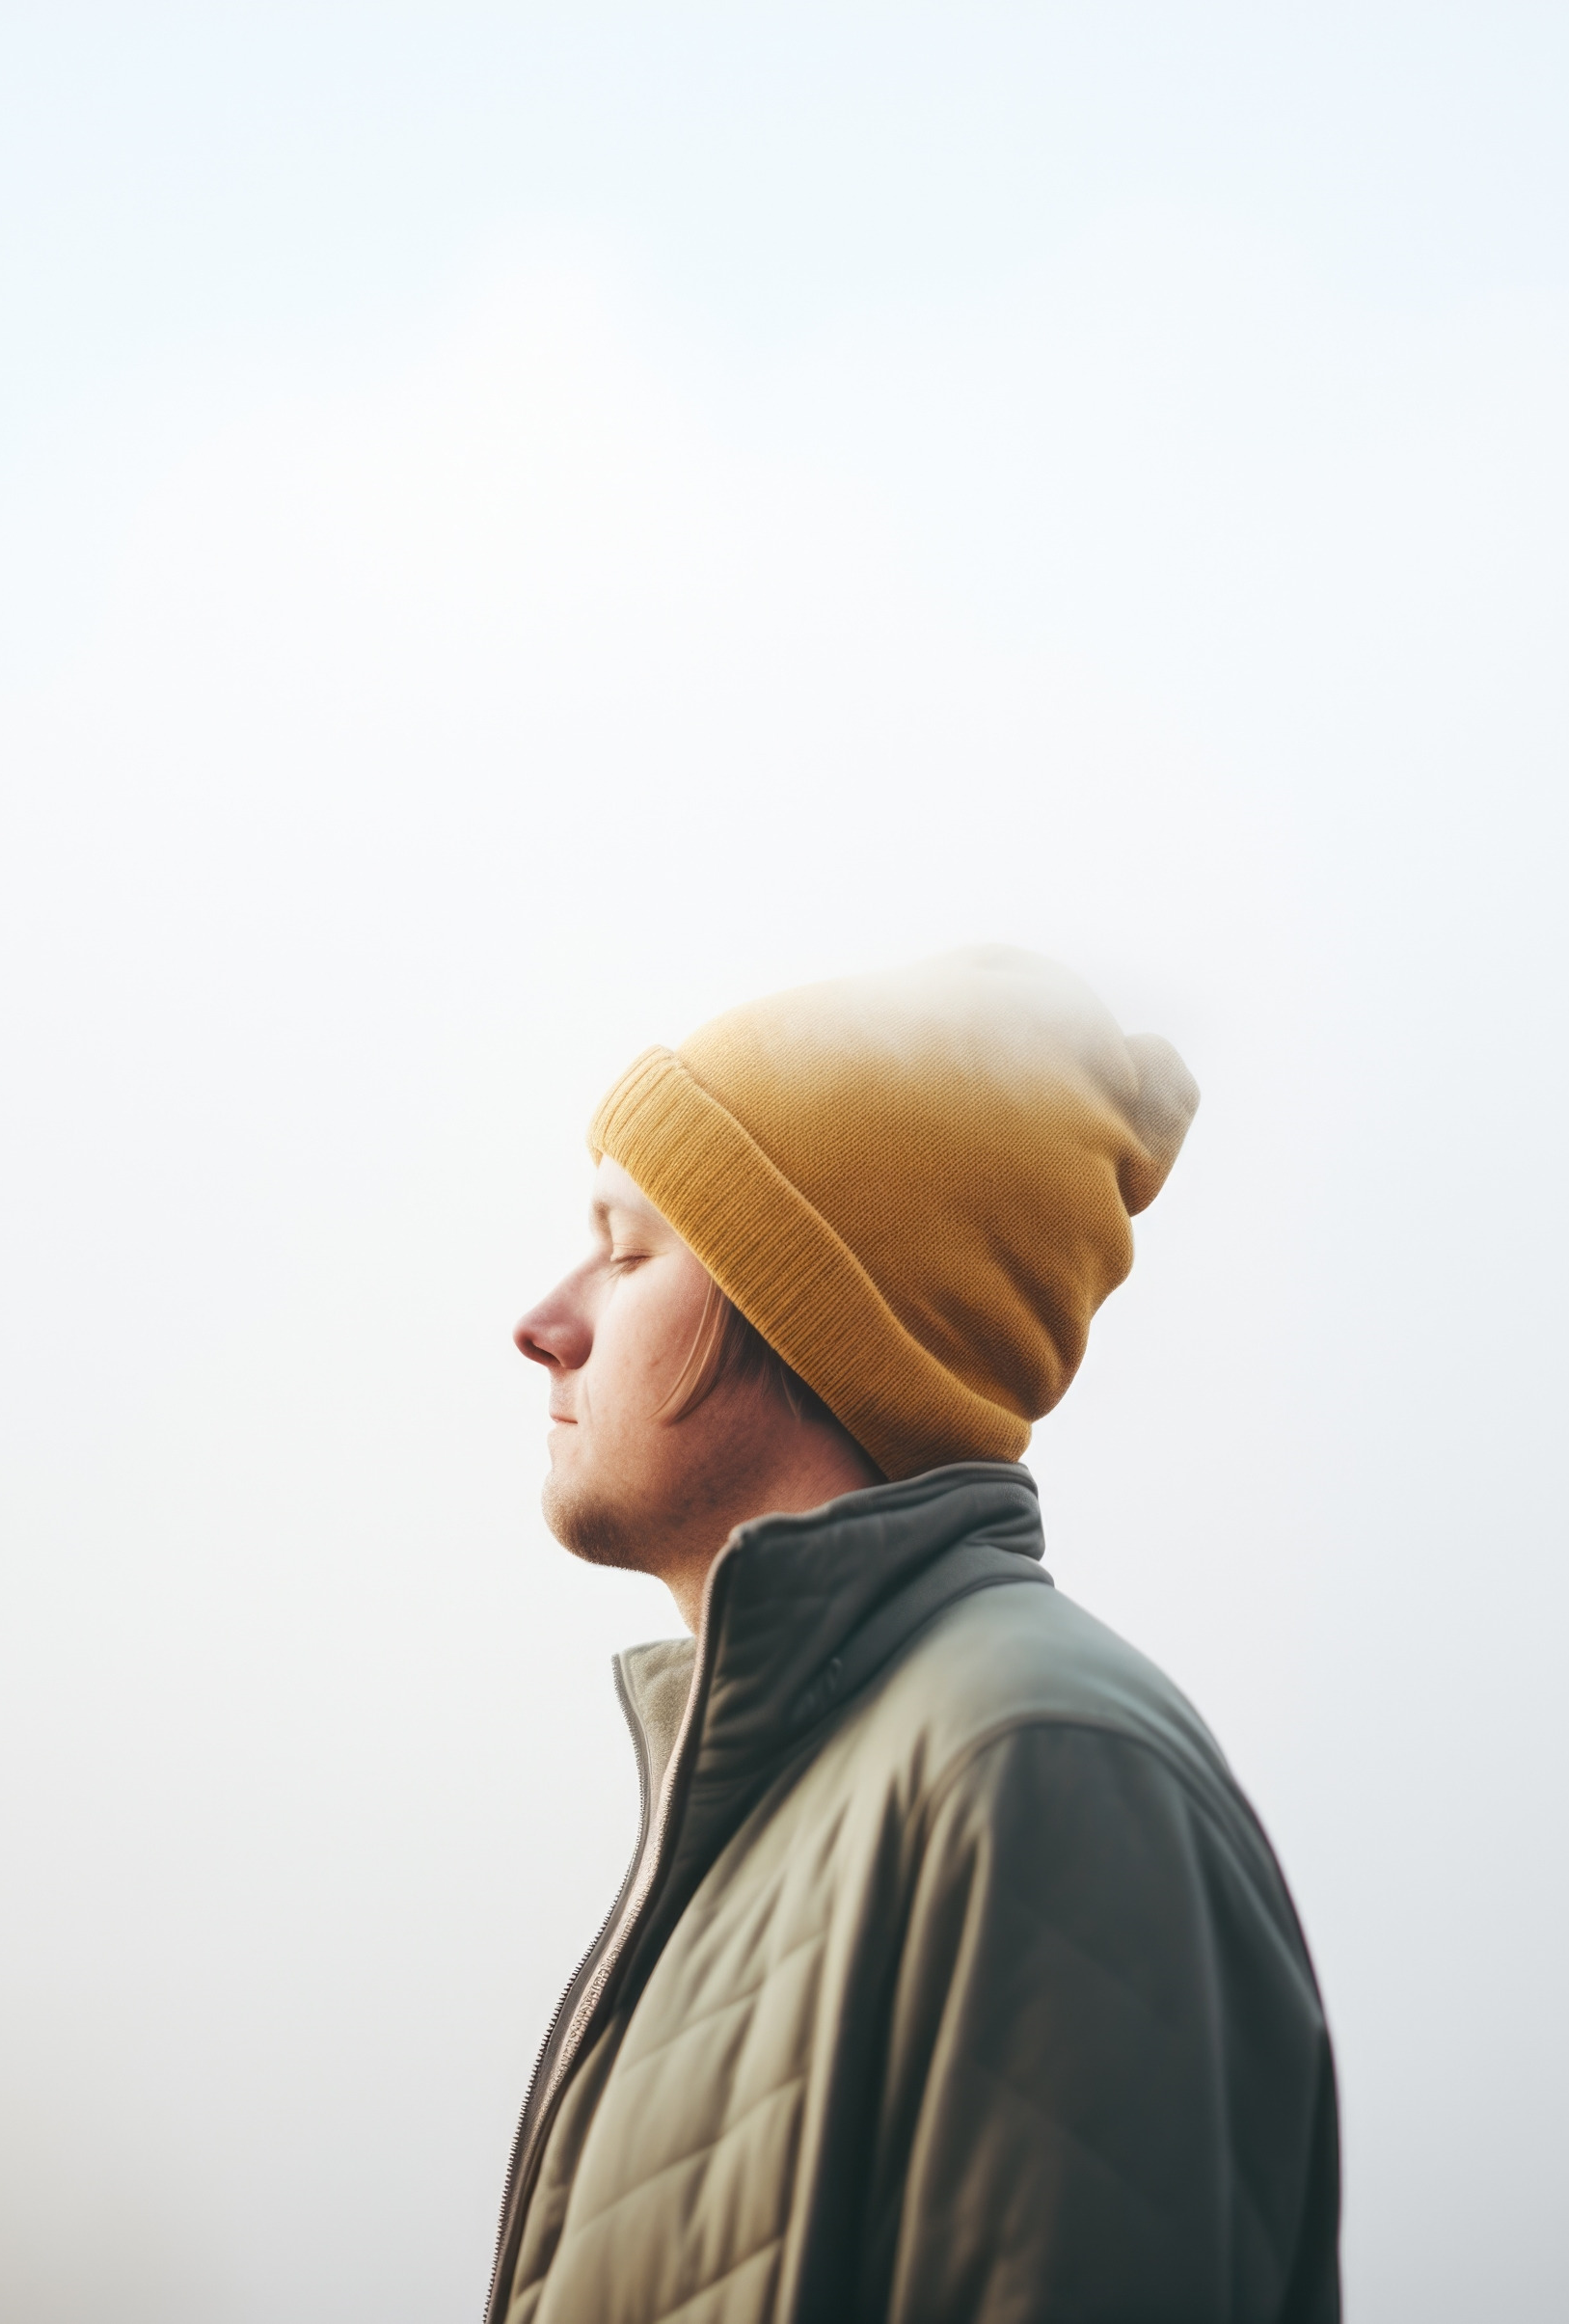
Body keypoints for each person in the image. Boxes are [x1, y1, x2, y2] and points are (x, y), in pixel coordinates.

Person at [488, 945, 1339, 2324]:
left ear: (824, 1318)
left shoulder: (1040, 1772)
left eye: (630, 1247)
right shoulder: (778, 1808)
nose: (542, 1323)